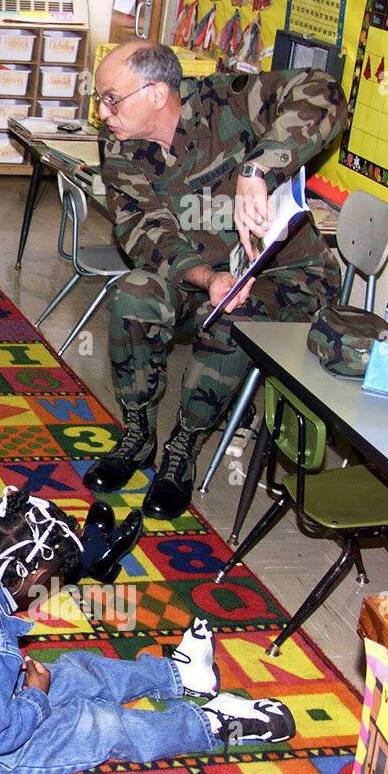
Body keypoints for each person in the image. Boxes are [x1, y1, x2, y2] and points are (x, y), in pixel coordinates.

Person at [0, 486, 298, 774]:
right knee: (98, 725)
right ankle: (214, 724)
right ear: (31, 574)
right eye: (54, 577)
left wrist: (29, 689)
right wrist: (35, 698)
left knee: (76, 671)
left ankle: (181, 675)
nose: (54, 586)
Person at [86, 40, 344, 519]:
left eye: (111, 99)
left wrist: (257, 168)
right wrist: (207, 278)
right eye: (100, 99)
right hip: (205, 273)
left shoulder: (227, 102)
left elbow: (323, 90)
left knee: (232, 313)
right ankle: (139, 434)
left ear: (157, 94)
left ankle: (183, 447)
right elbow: (145, 231)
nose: (103, 113)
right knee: (133, 293)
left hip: (285, 276)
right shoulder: (120, 144)